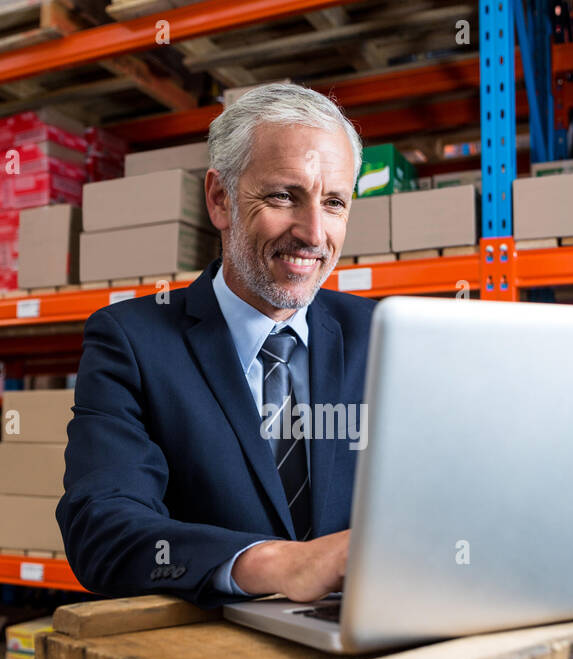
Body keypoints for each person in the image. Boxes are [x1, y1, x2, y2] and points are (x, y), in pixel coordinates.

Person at [57, 83, 375, 608]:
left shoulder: (384, 336)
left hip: (367, 652)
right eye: (283, 196)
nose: (314, 233)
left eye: (334, 202)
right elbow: (102, 529)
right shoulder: (132, 342)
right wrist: (276, 563)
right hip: (213, 658)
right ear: (220, 198)